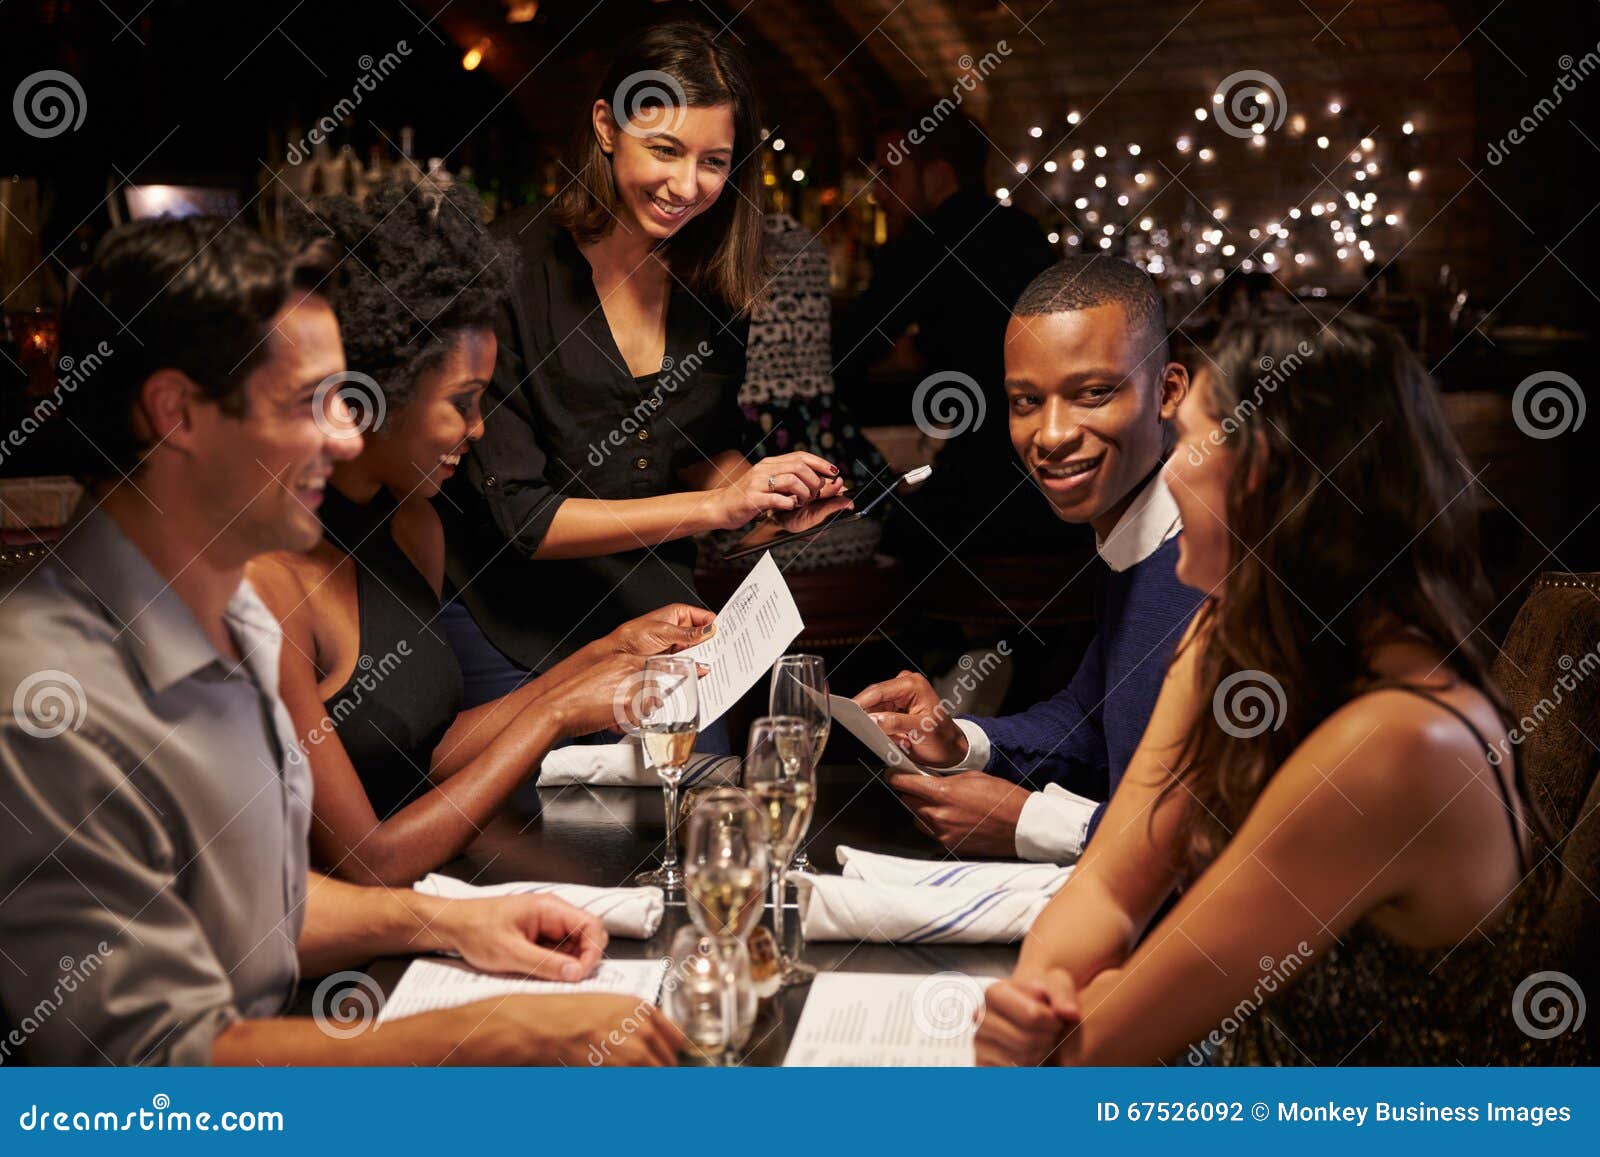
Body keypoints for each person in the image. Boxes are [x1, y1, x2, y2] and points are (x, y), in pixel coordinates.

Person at [0, 216, 683, 1066]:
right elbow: (144, 1083)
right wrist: (482, 1036)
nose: (349, 435)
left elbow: (259, 908)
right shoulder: (46, 698)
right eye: (307, 404)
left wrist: (456, 920)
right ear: (175, 413)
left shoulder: (229, 613)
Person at [976, 307, 1584, 1066]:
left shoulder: (1398, 745)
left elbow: (1106, 1043)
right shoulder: (1226, 636)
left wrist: (1056, 1028)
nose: (1168, 470)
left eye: (1189, 439)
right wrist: (1038, 992)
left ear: (1258, 471)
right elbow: (1106, 888)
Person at [247, 178, 715, 887]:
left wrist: (602, 654)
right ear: (384, 391)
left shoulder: (413, 528)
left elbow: (429, 756)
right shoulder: (270, 579)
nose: (478, 429)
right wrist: (556, 711)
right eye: (463, 403)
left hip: (434, 900)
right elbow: (364, 860)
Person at [440, 19, 847, 710]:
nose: (687, 185)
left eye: (714, 162)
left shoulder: (714, 281)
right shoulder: (506, 267)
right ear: (606, 125)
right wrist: (715, 506)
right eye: (664, 149)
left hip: (657, 615)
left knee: (707, 802)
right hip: (509, 623)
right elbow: (524, 520)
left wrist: (761, 497)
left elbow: (692, 450)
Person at [853, 257, 1204, 863]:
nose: (1052, 434)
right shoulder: (1131, 536)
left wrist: (1031, 822)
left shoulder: (1215, 559)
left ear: (1168, 392)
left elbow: (1233, 841)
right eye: (1026, 401)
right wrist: (960, 742)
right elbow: (1092, 727)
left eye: (1093, 393)